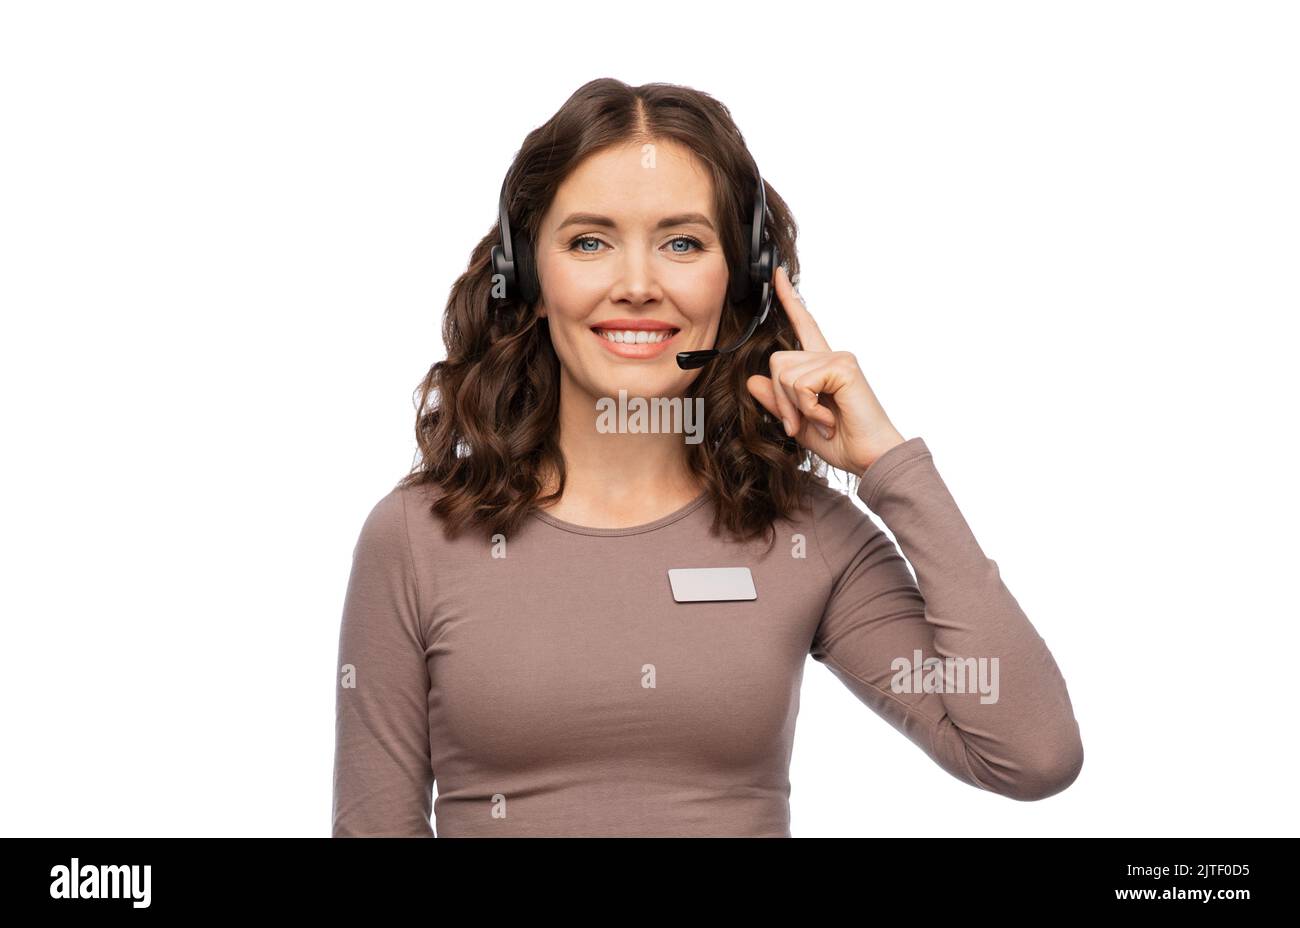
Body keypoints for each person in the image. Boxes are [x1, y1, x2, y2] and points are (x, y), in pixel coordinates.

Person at [331, 77, 1083, 837]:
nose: (635, 286)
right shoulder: (416, 538)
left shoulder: (805, 532)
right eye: (589, 241)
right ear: (526, 278)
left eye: (682, 243)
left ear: (742, 282)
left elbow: (1032, 753)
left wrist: (887, 463)